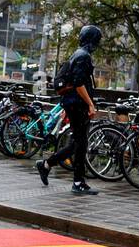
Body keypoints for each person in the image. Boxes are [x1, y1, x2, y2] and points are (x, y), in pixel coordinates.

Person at [38, 25, 101, 194]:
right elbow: (79, 83)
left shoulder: (77, 54)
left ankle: (46, 164)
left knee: (78, 143)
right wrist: (90, 104)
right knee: (81, 144)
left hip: (72, 104)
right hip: (78, 105)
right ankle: (78, 182)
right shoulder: (84, 56)